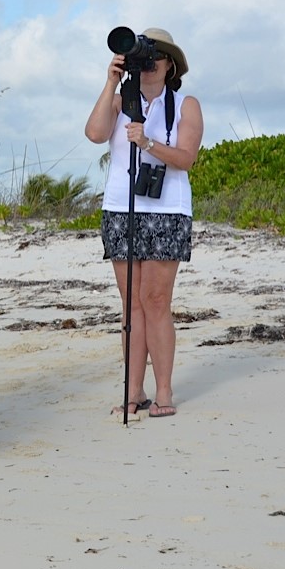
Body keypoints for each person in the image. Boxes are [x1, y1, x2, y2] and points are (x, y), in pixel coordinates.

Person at [84, 28, 201, 419]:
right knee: (131, 304)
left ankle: (164, 390)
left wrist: (147, 143)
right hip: (122, 208)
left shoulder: (185, 105)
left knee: (155, 301)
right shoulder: (121, 101)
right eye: (143, 58)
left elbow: (186, 158)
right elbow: (94, 133)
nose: (149, 65)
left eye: (156, 58)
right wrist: (111, 82)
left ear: (170, 66)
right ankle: (133, 391)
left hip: (168, 210)